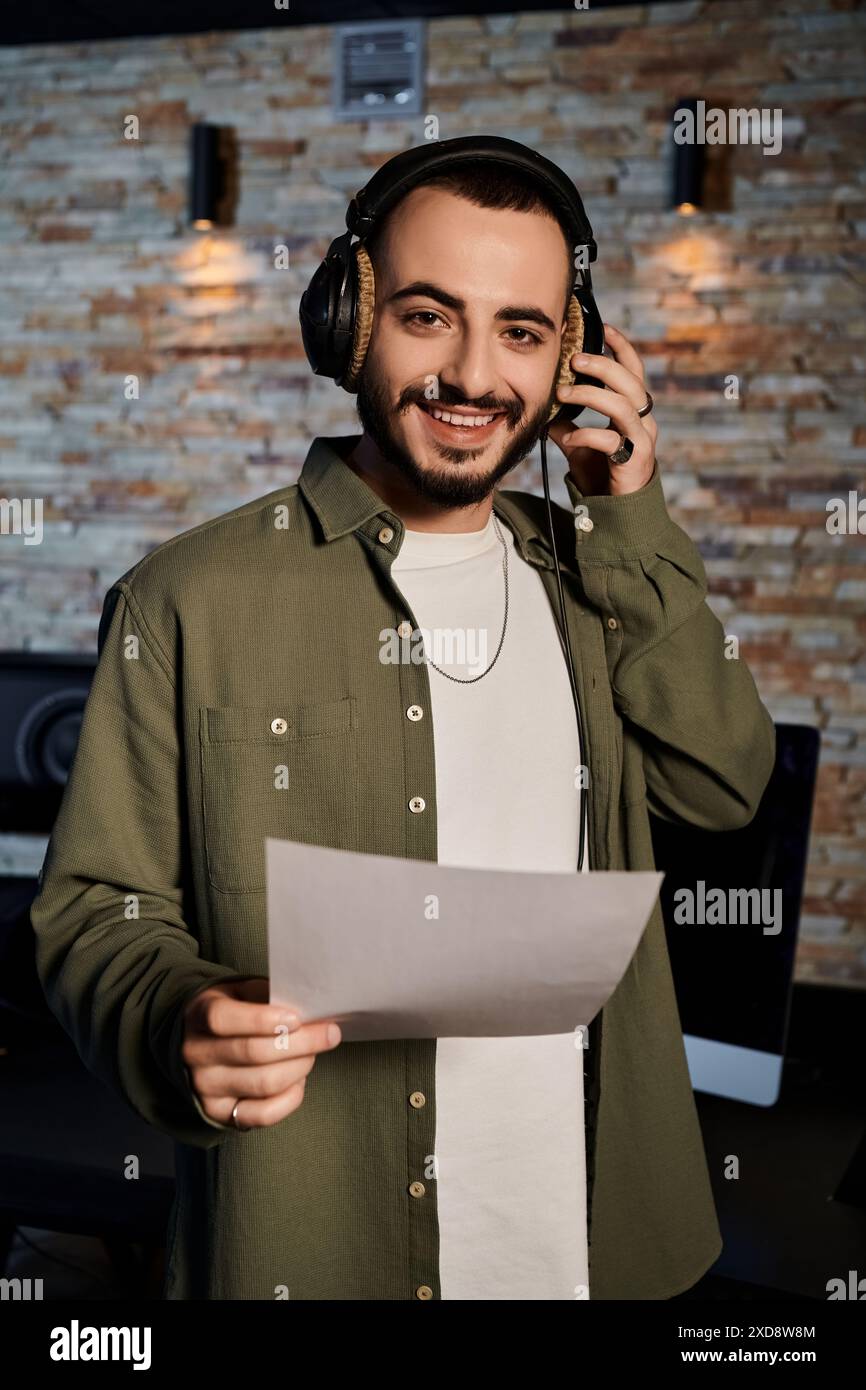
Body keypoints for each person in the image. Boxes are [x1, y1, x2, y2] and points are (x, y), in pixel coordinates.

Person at [30, 139, 776, 1300]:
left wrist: (628, 516)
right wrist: (176, 1014)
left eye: (521, 331)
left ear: (572, 360)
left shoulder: (599, 581)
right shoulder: (186, 598)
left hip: (593, 1262)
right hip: (312, 1251)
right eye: (428, 317)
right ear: (348, 322)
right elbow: (95, 911)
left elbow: (723, 786)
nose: (473, 375)